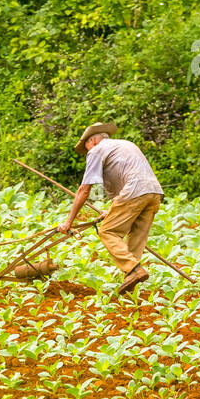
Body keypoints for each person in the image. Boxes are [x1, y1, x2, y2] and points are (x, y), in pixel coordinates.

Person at [57, 121, 163, 295]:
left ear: (93, 141)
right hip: (154, 192)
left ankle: (134, 270)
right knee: (137, 237)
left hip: (134, 192)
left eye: (87, 147)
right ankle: (131, 280)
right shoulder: (126, 145)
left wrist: (69, 222)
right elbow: (126, 176)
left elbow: (84, 190)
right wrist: (112, 210)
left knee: (107, 231)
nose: (87, 152)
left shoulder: (96, 151)